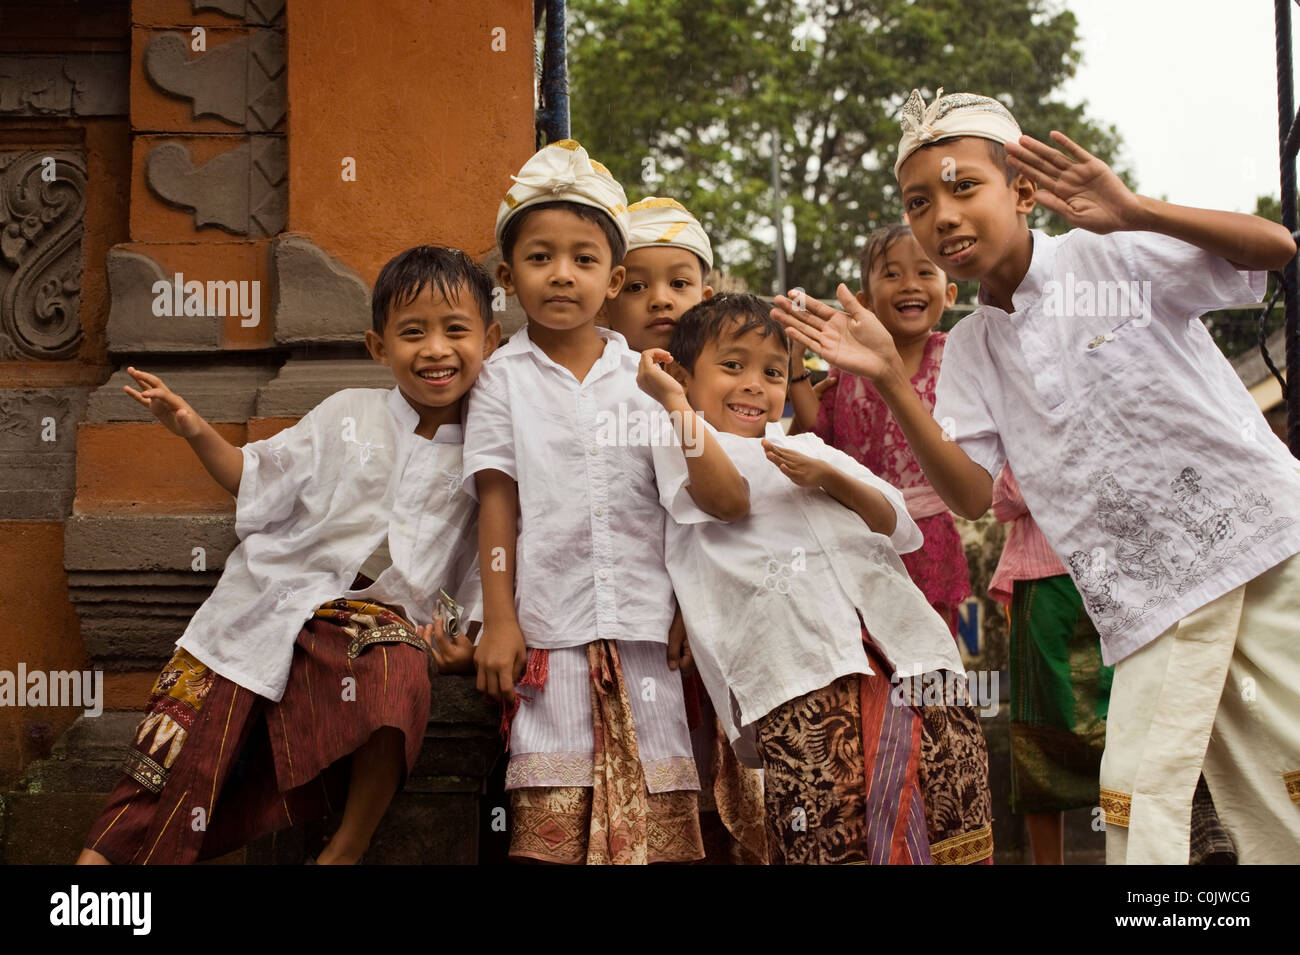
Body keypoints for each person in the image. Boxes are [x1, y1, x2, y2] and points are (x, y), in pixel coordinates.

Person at [774, 87, 1300, 864]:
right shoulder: (975, 349)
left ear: (1023, 191)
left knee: (1279, 770)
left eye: (963, 187)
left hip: (1261, 547)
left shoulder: (1108, 251)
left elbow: (1273, 248)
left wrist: (1133, 209)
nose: (942, 216)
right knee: (1136, 794)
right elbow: (971, 495)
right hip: (1147, 600)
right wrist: (888, 373)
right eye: (919, 202)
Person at [78, 245, 499, 865]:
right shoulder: (347, 414)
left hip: (370, 623)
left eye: (455, 330)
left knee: (396, 674)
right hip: (267, 602)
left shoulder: (488, 455)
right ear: (378, 346)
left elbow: (477, 571)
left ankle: (344, 851)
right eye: (413, 333)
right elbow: (255, 477)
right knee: (173, 753)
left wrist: (468, 645)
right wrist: (193, 425)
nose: (435, 349)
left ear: (488, 339)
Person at [464, 141, 748, 864]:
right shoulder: (501, 379)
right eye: (540, 257)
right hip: (550, 629)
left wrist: (687, 605)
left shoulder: (647, 378)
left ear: (612, 276)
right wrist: (499, 617)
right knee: (549, 817)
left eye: (584, 259)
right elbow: (496, 501)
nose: (563, 274)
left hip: (646, 629)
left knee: (660, 817)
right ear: (507, 274)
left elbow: (682, 508)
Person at [647, 292, 972, 864]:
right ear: (684, 377)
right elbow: (727, 501)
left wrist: (830, 478)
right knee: (830, 831)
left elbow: (894, 523)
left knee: (947, 810)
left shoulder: (812, 447)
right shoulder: (687, 443)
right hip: (802, 675)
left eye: (772, 372)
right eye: (732, 366)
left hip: (909, 656)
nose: (755, 384)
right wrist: (675, 403)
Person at [602, 196, 767, 864]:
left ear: (708, 288)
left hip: (730, 606)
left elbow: (745, 501)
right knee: (674, 782)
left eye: (679, 281)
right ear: (610, 296)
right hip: (647, 621)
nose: (659, 298)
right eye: (637, 285)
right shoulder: (609, 389)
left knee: (745, 786)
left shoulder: (727, 385)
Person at [791, 222, 971, 636]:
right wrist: (795, 366)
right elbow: (816, 431)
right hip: (856, 537)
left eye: (925, 271)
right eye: (892, 274)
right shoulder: (848, 365)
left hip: (928, 542)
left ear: (950, 293)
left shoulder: (957, 357)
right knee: (866, 664)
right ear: (864, 301)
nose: (910, 284)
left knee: (929, 666)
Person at [988, 465, 1113, 865]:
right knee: (1115, 723)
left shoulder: (1022, 418)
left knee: (1040, 726)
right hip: (1107, 575)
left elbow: (1005, 497)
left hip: (1053, 580)